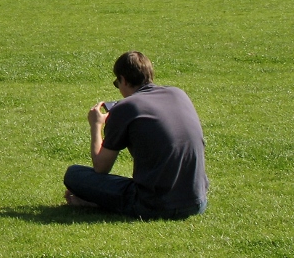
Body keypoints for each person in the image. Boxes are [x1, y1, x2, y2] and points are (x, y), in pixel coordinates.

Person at [63, 52, 207, 220]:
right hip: (197, 201)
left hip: (154, 205)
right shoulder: (178, 94)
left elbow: (101, 167)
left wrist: (96, 125)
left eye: (117, 83)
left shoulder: (125, 108)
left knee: (73, 175)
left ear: (123, 80)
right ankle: (99, 202)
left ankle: (98, 203)